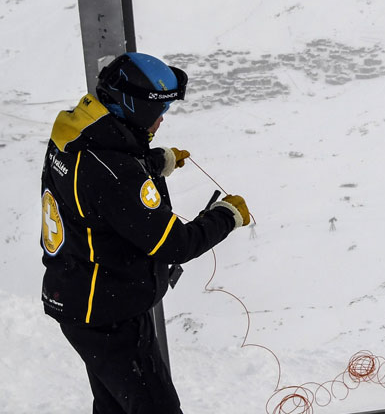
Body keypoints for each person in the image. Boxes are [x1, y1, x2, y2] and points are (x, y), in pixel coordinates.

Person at [39, 52, 252, 413]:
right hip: (110, 316)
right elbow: (174, 244)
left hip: (79, 299)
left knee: (115, 407)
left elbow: (98, 186)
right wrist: (225, 216)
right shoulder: (116, 171)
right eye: (159, 110)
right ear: (134, 108)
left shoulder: (74, 134)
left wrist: (154, 162)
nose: (162, 119)